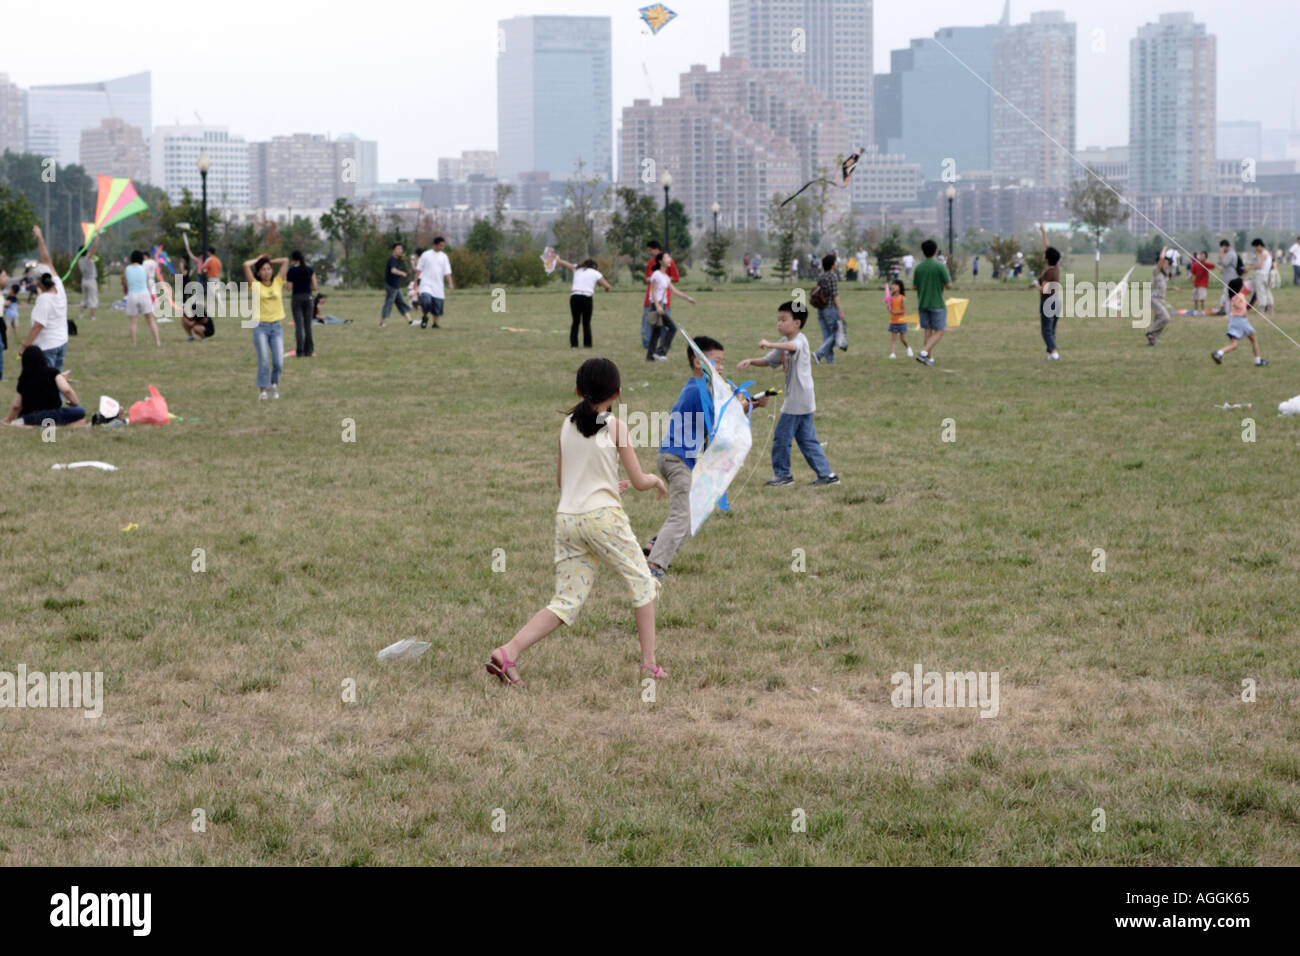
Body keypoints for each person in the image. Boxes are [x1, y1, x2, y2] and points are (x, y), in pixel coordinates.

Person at [485, 357, 668, 688]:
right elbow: (639, 480)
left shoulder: (566, 425)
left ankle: (508, 651)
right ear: (617, 392)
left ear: (578, 390)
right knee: (643, 585)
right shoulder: (615, 426)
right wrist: (656, 481)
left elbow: (562, 480)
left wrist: (606, 486)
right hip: (603, 520)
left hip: (568, 520)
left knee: (566, 601)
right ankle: (649, 666)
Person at [644, 336, 765, 580]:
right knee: (682, 516)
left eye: (722, 363)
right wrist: (743, 405)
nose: (721, 368)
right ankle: (654, 566)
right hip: (675, 460)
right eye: (716, 362)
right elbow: (719, 422)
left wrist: (747, 405)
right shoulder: (697, 392)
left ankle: (653, 547)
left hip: (678, 459)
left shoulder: (703, 390)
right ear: (699, 363)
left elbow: (719, 417)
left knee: (690, 515)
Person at [738, 301, 839, 488]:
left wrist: (769, 343)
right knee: (808, 440)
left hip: (797, 400)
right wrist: (751, 361)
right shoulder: (785, 343)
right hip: (803, 400)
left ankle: (783, 475)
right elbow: (769, 361)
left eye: (783, 319)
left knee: (781, 437)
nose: (779, 323)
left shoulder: (800, 340)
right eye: (778, 319)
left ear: (797, 323)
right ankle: (827, 475)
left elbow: (793, 347)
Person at [19, 227, 70, 370]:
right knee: (56, 379)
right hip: (61, 342)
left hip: (48, 346)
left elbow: (38, 325)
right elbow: (47, 260)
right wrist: (40, 238)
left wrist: (25, 346)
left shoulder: (44, 299)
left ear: (37, 283)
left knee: (46, 384)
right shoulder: (58, 285)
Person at [1, 345, 85, 427]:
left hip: (30, 415)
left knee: (27, 416)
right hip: (52, 413)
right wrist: (76, 404)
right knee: (79, 411)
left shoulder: (24, 377)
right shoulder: (52, 372)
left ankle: (28, 422)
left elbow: (17, 406)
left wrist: (8, 419)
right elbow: (67, 390)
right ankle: (58, 423)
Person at [243, 253, 290, 400]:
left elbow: (285, 260)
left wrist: (269, 260)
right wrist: (258, 259)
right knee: (263, 359)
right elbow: (245, 265)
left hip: (276, 328)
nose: (267, 271)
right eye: (263, 269)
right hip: (260, 327)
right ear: (258, 272)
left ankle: (273, 384)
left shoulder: (278, 281)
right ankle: (263, 391)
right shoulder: (255, 285)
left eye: (269, 268)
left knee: (278, 361)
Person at [554, 256, 612, 348]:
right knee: (586, 322)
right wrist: (606, 289)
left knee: (575, 322)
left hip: (575, 297)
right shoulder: (595, 273)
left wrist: (558, 259)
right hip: (586, 297)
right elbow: (607, 286)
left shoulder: (577, 268)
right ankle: (587, 344)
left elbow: (566, 264)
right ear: (594, 266)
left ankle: (574, 345)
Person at [646, 253, 695, 361]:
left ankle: (650, 357)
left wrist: (688, 298)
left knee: (656, 332)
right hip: (657, 305)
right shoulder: (656, 275)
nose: (670, 259)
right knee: (672, 328)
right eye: (667, 257)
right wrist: (658, 306)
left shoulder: (666, 277)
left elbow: (675, 291)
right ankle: (660, 352)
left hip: (661, 305)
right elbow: (653, 292)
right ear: (660, 261)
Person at [1210, 277, 1267, 367]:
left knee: (1234, 344)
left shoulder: (1234, 296)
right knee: (1254, 339)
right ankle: (1258, 361)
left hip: (1233, 321)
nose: (1244, 286)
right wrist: (1240, 307)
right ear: (1239, 287)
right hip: (1241, 321)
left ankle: (1219, 353)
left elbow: (1234, 302)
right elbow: (1235, 303)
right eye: (1242, 285)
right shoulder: (1240, 295)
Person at [913, 239, 952, 366]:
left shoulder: (919, 268)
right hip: (937, 303)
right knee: (939, 331)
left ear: (923, 252)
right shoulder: (940, 266)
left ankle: (930, 359)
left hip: (923, 303)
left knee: (927, 331)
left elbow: (914, 287)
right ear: (935, 251)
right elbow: (949, 285)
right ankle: (924, 353)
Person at [639, 240, 676, 350]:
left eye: (650, 250)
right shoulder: (652, 265)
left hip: (664, 300)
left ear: (656, 249)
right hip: (652, 300)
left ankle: (664, 345)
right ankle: (649, 346)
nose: (649, 252)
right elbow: (648, 280)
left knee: (665, 325)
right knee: (650, 322)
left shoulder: (669, 264)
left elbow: (675, 278)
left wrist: (665, 279)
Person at [1034, 225, 1062, 361]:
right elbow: (1047, 247)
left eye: (1044, 255)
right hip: (1057, 301)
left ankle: (1055, 353)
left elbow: (1043, 289)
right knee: (1052, 329)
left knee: (1046, 330)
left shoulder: (1048, 273)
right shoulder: (1055, 267)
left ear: (1047, 259)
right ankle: (1051, 353)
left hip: (1048, 302)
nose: (1043, 254)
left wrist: (1036, 285)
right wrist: (1043, 232)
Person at [122, 250, 161, 348]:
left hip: (132, 295)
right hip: (144, 294)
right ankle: (157, 342)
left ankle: (134, 343)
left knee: (133, 321)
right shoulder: (144, 269)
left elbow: (125, 282)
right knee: (150, 320)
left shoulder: (127, 269)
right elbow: (148, 281)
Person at [812, 253, 845, 364]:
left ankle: (830, 361)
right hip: (830, 308)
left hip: (820, 309)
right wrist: (840, 310)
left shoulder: (821, 275)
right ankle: (818, 354)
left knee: (827, 336)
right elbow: (834, 295)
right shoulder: (832, 276)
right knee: (836, 334)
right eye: (835, 261)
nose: (837, 263)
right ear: (832, 264)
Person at [414, 236, 454, 329]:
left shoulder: (444, 257)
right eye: (440, 245)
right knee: (426, 301)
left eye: (443, 246)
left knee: (437, 305)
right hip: (426, 284)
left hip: (438, 285)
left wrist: (450, 283)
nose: (442, 247)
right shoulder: (425, 255)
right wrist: (415, 282)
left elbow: (447, 271)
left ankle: (435, 324)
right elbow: (419, 269)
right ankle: (425, 316)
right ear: (435, 245)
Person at [286, 251, 317, 357]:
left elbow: (288, 288)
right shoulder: (310, 269)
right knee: (308, 326)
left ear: (294, 259)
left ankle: (300, 351)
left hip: (297, 298)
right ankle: (309, 351)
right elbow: (315, 287)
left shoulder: (291, 270)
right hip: (308, 298)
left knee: (299, 326)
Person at [1145, 248, 1173, 346]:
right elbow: (1161, 258)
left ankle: (1153, 340)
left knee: (1158, 319)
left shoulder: (1162, 275)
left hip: (1161, 300)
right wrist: (1165, 248)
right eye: (1165, 263)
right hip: (1154, 299)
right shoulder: (1156, 271)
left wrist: (1173, 288)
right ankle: (1150, 332)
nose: (1166, 265)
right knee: (1165, 318)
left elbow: (1162, 288)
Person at [379, 241, 410, 328]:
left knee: (401, 303)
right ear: (393, 250)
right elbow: (393, 270)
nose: (400, 251)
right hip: (392, 286)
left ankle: (410, 321)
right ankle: (381, 323)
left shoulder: (395, 260)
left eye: (401, 249)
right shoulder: (392, 259)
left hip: (395, 286)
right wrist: (402, 273)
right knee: (389, 303)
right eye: (398, 249)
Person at [887, 279, 911, 359]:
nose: (893, 286)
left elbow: (903, 310)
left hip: (902, 321)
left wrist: (895, 312)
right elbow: (890, 308)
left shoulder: (902, 298)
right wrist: (889, 307)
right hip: (893, 321)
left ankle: (908, 348)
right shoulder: (891, 298)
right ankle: (893, 353)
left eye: (895, 285)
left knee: (903, 338)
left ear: (900, 287)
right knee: (893, 339)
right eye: (892, 284)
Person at [1215, 239, 1241, 314]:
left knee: (1228, 296)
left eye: (1222, 248)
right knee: (1226, 295)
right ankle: (1225, 310)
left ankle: (1228, 312)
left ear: (1225, 246)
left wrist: (1221, 253)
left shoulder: (1231, 254)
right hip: (1228, 277)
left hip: (1230, 278)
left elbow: (1224, 263)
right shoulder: (1230, 253)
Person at [78, 236, 100, 321]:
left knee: (85, 299)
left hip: (84, 280)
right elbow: (94, 247)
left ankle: (81, 314)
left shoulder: (79, 261)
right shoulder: (88, 258)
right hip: (91, 280)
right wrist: (97, 236)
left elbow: (80, 272)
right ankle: (92, 316)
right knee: (93, 299)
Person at [1249, 239, 1273, 315]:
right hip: (1267, 274)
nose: (1255, 249)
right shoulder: (1267, 253)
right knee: (1267, 291)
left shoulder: (1263, 253)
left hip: (1261, 275)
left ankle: (1262, 310)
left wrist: (1249, 268)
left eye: (1255, 247)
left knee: (1261, 292)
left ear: (1259, 245)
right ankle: (1270, 309)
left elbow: (1259, 266)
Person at [1188, 251, 1215, 315]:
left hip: (1203, 284)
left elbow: (1213, 266)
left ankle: (1203, 311)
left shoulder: (1206, 264)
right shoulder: (1195, 264)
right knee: (1195, 298)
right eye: (1200, 255)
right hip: (1196, 284)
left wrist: (1220, 269)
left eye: (1202, 256)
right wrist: (1189, 277)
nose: (1200, 257)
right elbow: (1192, 272)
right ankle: (1195, 310)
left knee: (1202, 298)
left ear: (1205, 257)